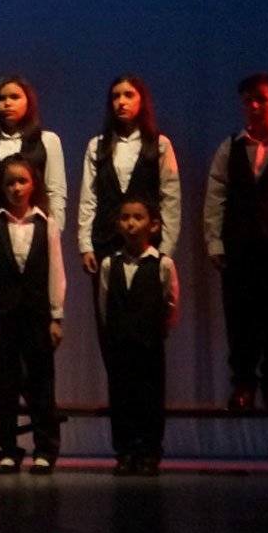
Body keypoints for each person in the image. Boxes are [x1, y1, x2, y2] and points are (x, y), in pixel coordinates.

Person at [0, 76, 67, 406]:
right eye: (1, 98)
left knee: (32, 313)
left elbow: (56, 189)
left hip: (34, 231)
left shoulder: (47, 140)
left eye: (14, 97)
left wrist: (50, 232)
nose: (6, 103)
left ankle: (33, 386)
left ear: (28, 101)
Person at [202, 74, 268, 410]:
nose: (254, 106)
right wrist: (215, 242)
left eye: (261, 99)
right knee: (240, 320)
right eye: (248, 100)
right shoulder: (230, 147)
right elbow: (215, 197)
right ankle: (243, 385)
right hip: (240, 248)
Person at [0, 156, 66, 475]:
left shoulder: (46, 224)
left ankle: (45, 448)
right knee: (7, 385)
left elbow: (56, 270)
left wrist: (56, 315)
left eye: (22, 181)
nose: (16, 188)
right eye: (10, 182)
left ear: (33, 184)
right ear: (1, 187)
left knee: (42, 383)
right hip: (4, 313)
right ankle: (8, 450)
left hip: (37, 313)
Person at [97, 198, 181, 476]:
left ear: (153, 225)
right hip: (120, 344)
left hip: (149, 344)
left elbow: (171, 303)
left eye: (137, 217)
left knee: (150, 399)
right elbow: (105, 304)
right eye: (125, 218)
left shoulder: (162, 264)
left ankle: (149, 452)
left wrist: (158, 330)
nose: (131, 224)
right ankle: (125, 451)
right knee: (122, 397)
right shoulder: (111, 264)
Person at [77, 75, 181, 279]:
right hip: (106, 240)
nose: (121, 102)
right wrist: (85, 245)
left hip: (147, 243)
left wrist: (166, 249)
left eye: (128, 95)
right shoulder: (97, 146)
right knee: (107, 306)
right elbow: (88, 199)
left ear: (141, 101)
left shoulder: (159, 145)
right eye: (116, 97)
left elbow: (170, 199)